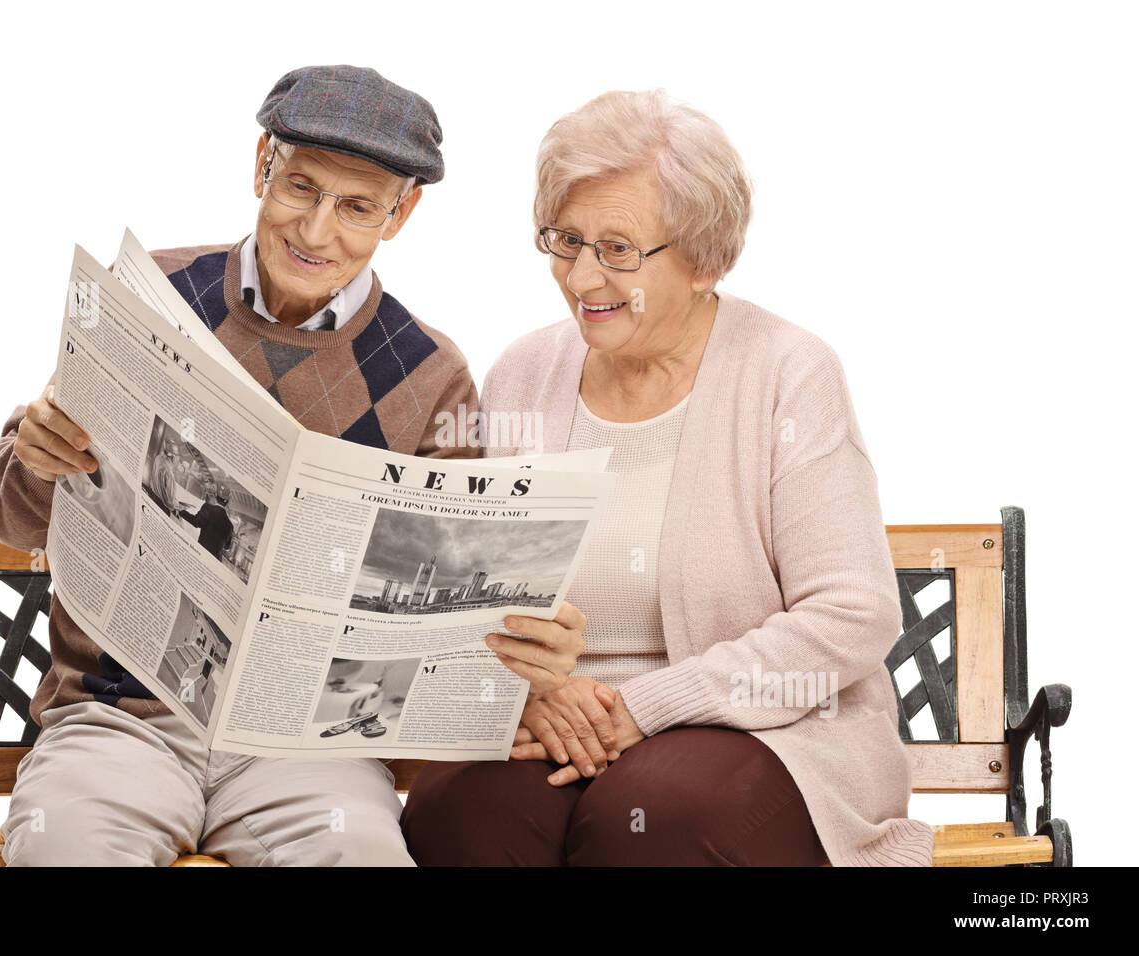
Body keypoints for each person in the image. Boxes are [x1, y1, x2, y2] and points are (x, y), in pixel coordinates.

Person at [0, 65, 587, 866]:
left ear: (401, 214)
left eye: (358, 206)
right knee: (69, 850)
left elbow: (447, 617)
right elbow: (13, 516)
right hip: (121, 721)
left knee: (363, 855)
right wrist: (32, 457)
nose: (317, 231)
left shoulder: (431, 372)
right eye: (301, 188)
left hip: (304, 748)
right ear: (262, 163)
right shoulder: (150, 294)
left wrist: (520, 647)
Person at [400, 89, 935, 866]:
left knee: (649, 818)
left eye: (618, 249)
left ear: (705, 259)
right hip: (558, 723)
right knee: (457, 813)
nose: (582, 277)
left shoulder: (787, 373)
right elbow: (485, 596)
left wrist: (644, 708)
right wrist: (540, 692)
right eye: (566, 239)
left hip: (763, 733)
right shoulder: (524, 371)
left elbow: (851, 614)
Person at [176, 484, 235, 561]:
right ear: (227, 501)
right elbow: (227, 547)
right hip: (216, 561)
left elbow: (195, 522)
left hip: (201, 555)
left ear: (215, 495)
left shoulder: (208, 508)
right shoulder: (230, 526)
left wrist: (181, 510)